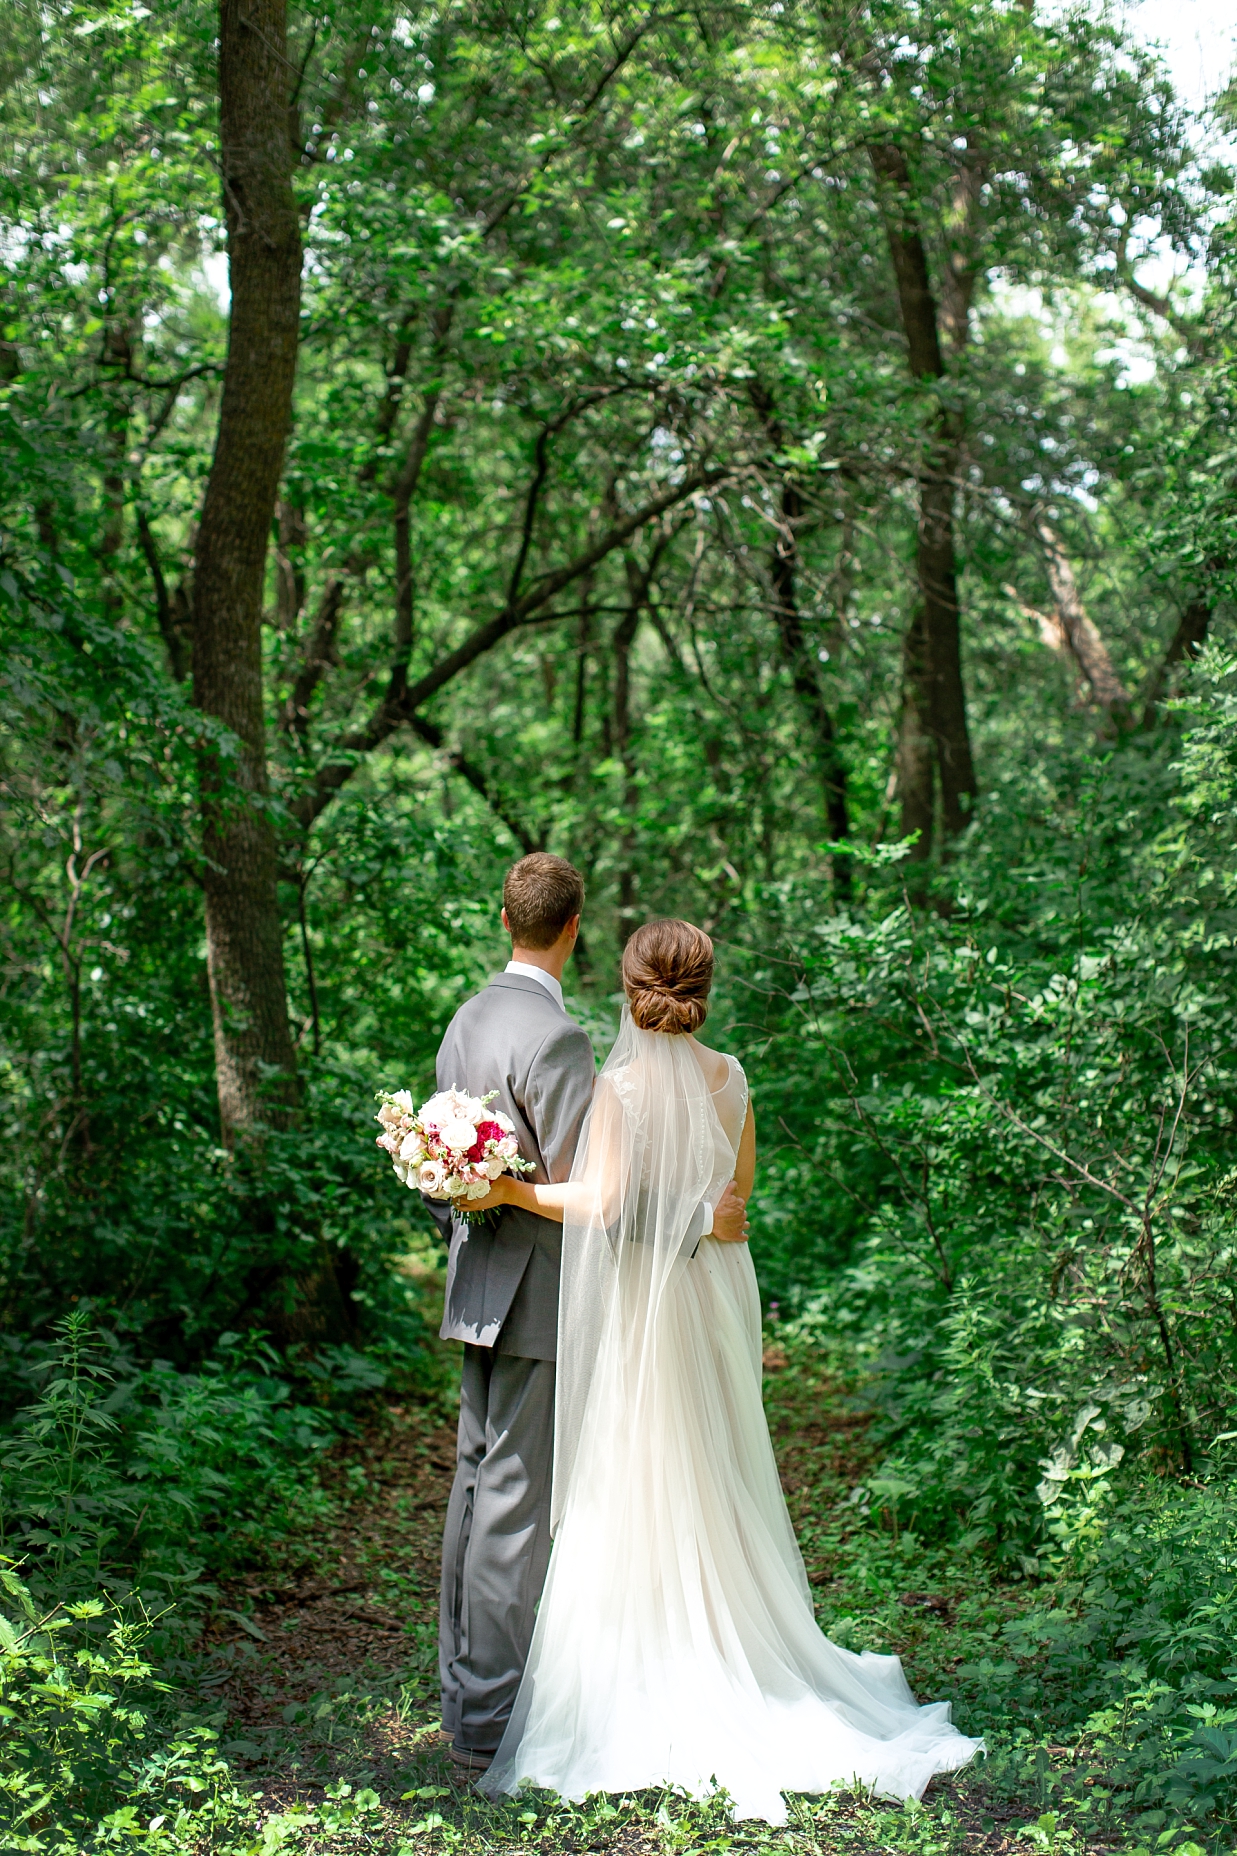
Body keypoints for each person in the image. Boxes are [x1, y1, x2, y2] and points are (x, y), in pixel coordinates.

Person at [474, 918, 982, 1823]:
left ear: (629, 984)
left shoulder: (617, 1088)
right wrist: (701, 1216)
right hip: (708, 1296)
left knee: (637, 1469)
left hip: (646, 1303)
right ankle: (731, 1642)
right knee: (705, 1465)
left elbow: (600, 1203)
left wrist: (508, 1188)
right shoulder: (729, 1076)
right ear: (705, 984)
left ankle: (652, 1665)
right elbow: (734, 1198)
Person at [426, 860, 750, 1773]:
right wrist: (697, 1219)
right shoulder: (558, 1038)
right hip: (539, 1298)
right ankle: (489, 1714)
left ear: (505, 919)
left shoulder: (467, 1020)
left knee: (473, 1484)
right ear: (572, 930)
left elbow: (441, 1161)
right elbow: (598, 1199)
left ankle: (462, 1688)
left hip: (478, 1281)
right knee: (517, 1500)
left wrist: (471, 1222)